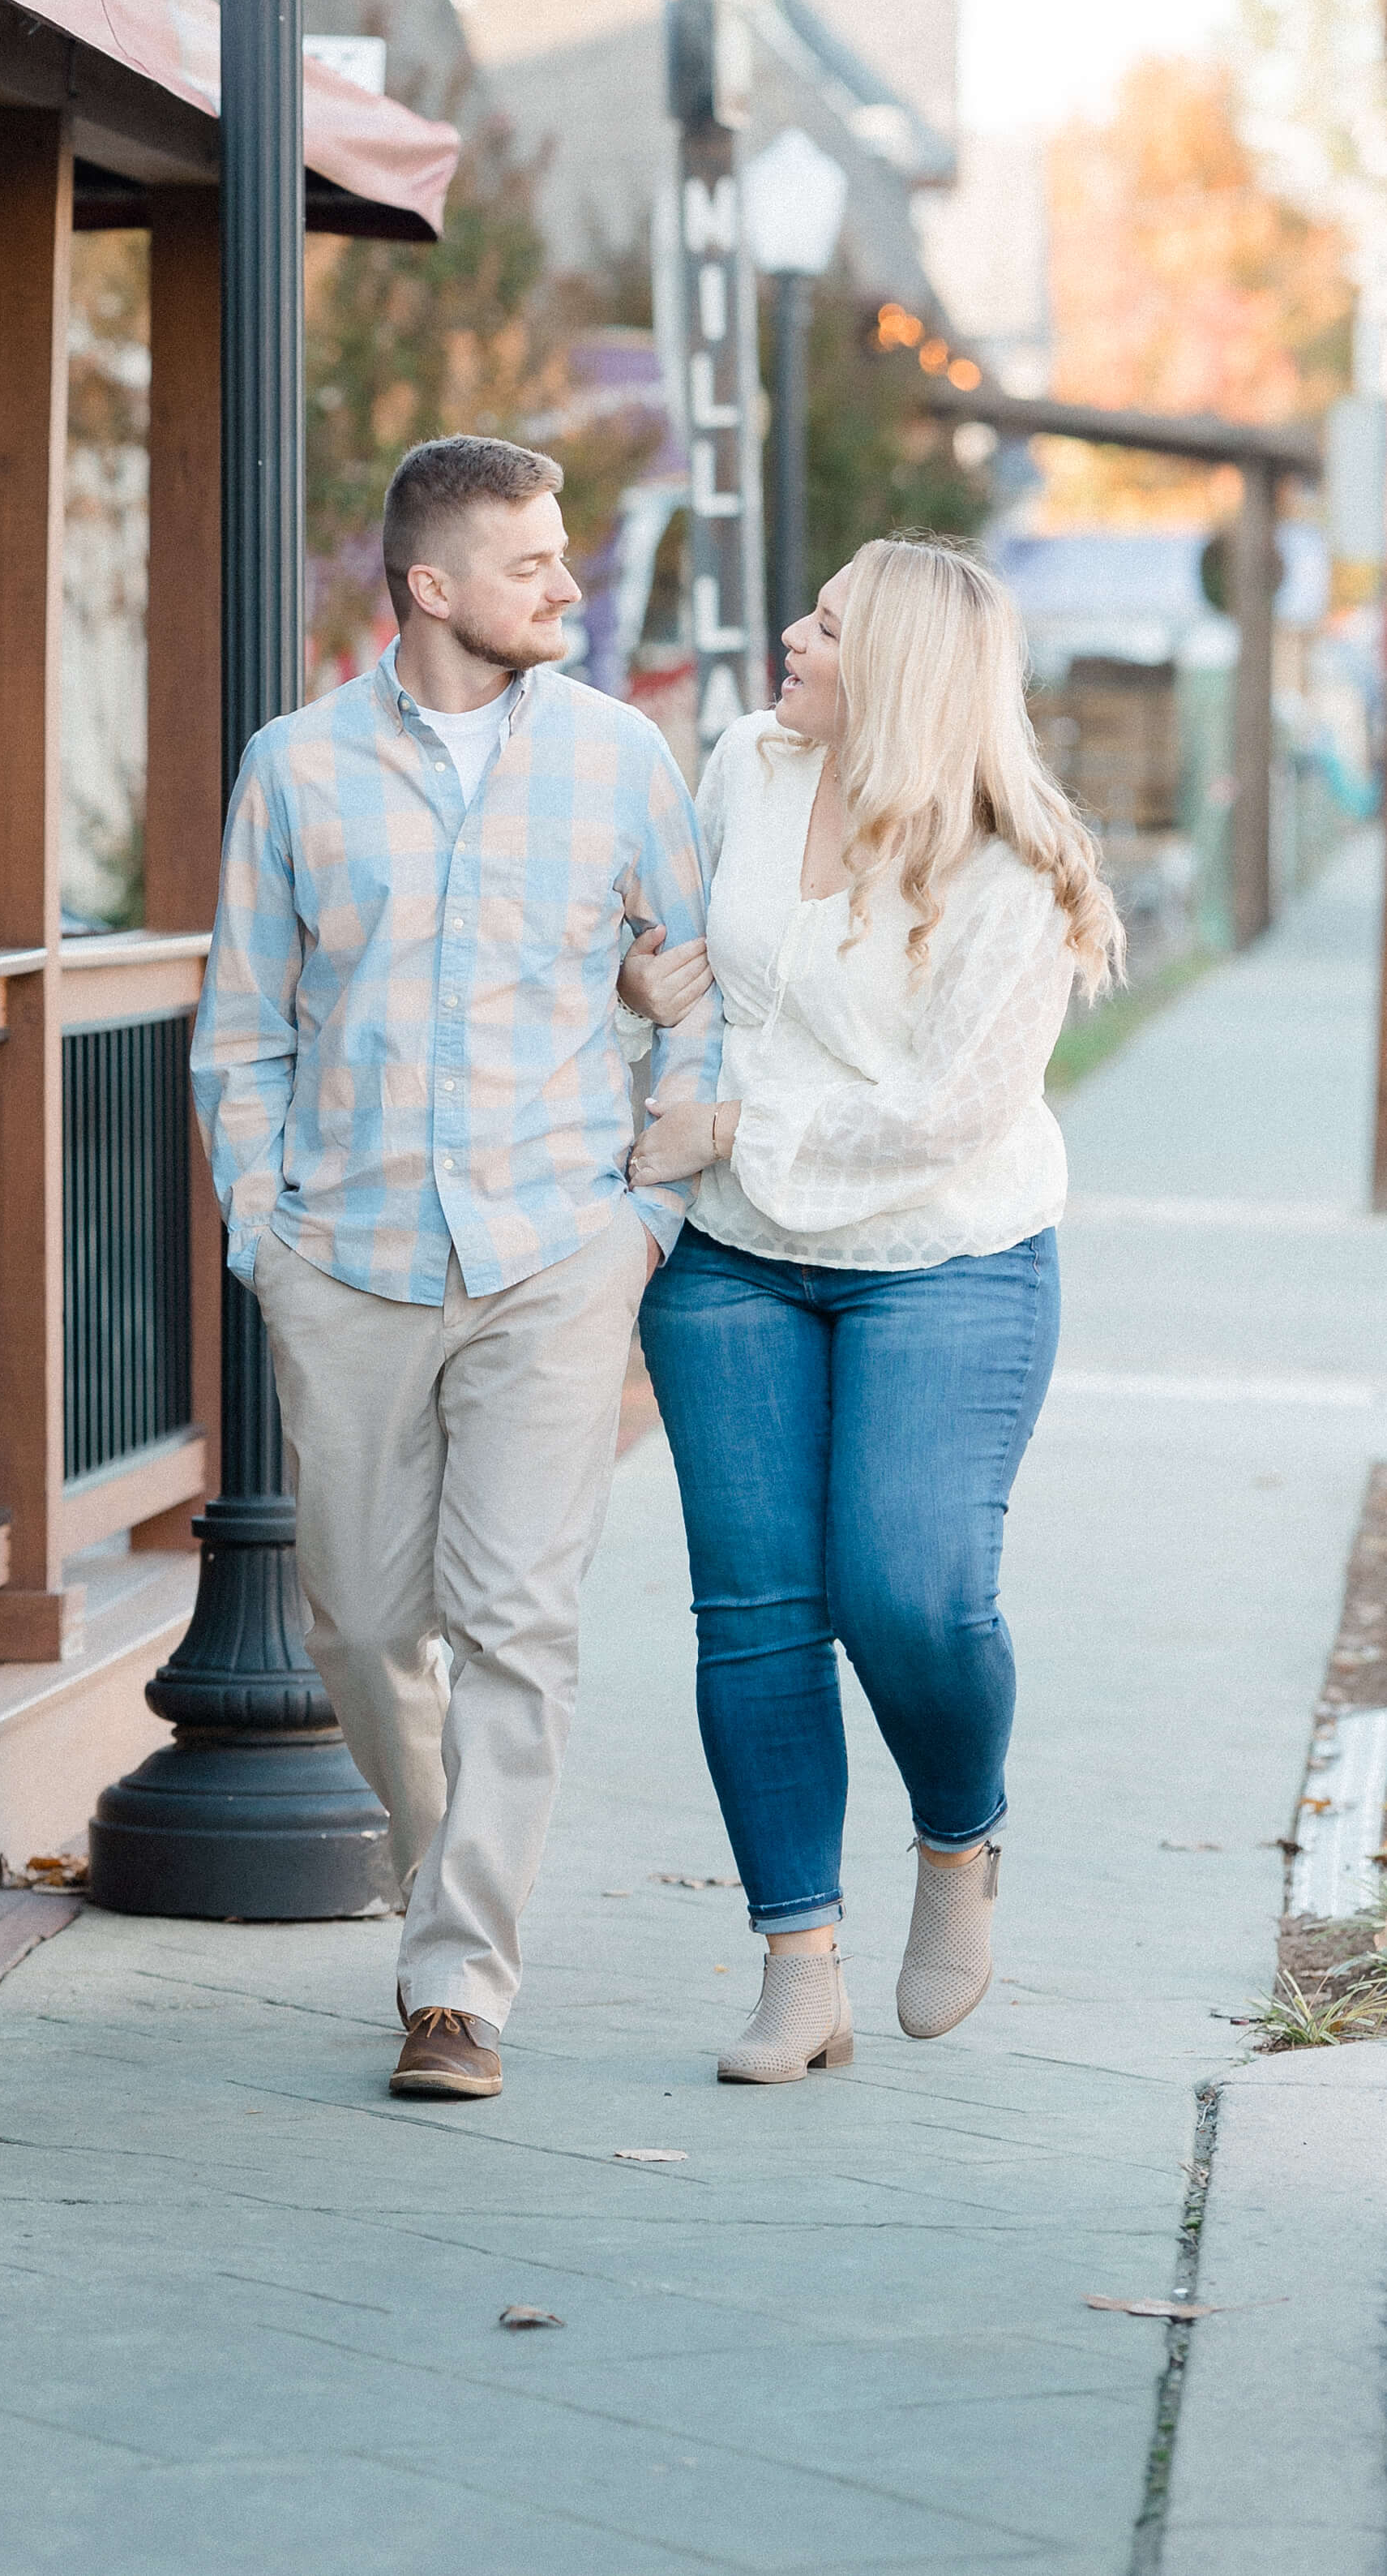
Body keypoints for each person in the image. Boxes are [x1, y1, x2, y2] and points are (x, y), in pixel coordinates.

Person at [194, 434, 719, 2103]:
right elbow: (237, 1030)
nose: (566, 586)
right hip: (342, 1257)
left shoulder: (620, 758)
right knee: (356, 1627)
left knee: (515, 1620)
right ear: (427, 589)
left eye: (560, 556)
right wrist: (259, 1234)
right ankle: (444, 1883)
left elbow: (700, 996)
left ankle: (455, 1982)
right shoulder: (292, 768)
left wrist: (642, 1210)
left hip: (550, 1247)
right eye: (529, 563)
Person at [623, 538, 1123, 2087]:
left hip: (945, 1257)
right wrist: (655, 1000)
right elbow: (713, 987)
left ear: (899, 667)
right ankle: (796, 1962)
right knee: (757, 1614)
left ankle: (958, 1837)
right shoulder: (749, 769)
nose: (789, 635)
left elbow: (941, 1117)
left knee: (908, 1591)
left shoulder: (1017, 871)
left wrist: (723, 1132)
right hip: (733, 1260)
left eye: (823, 623)